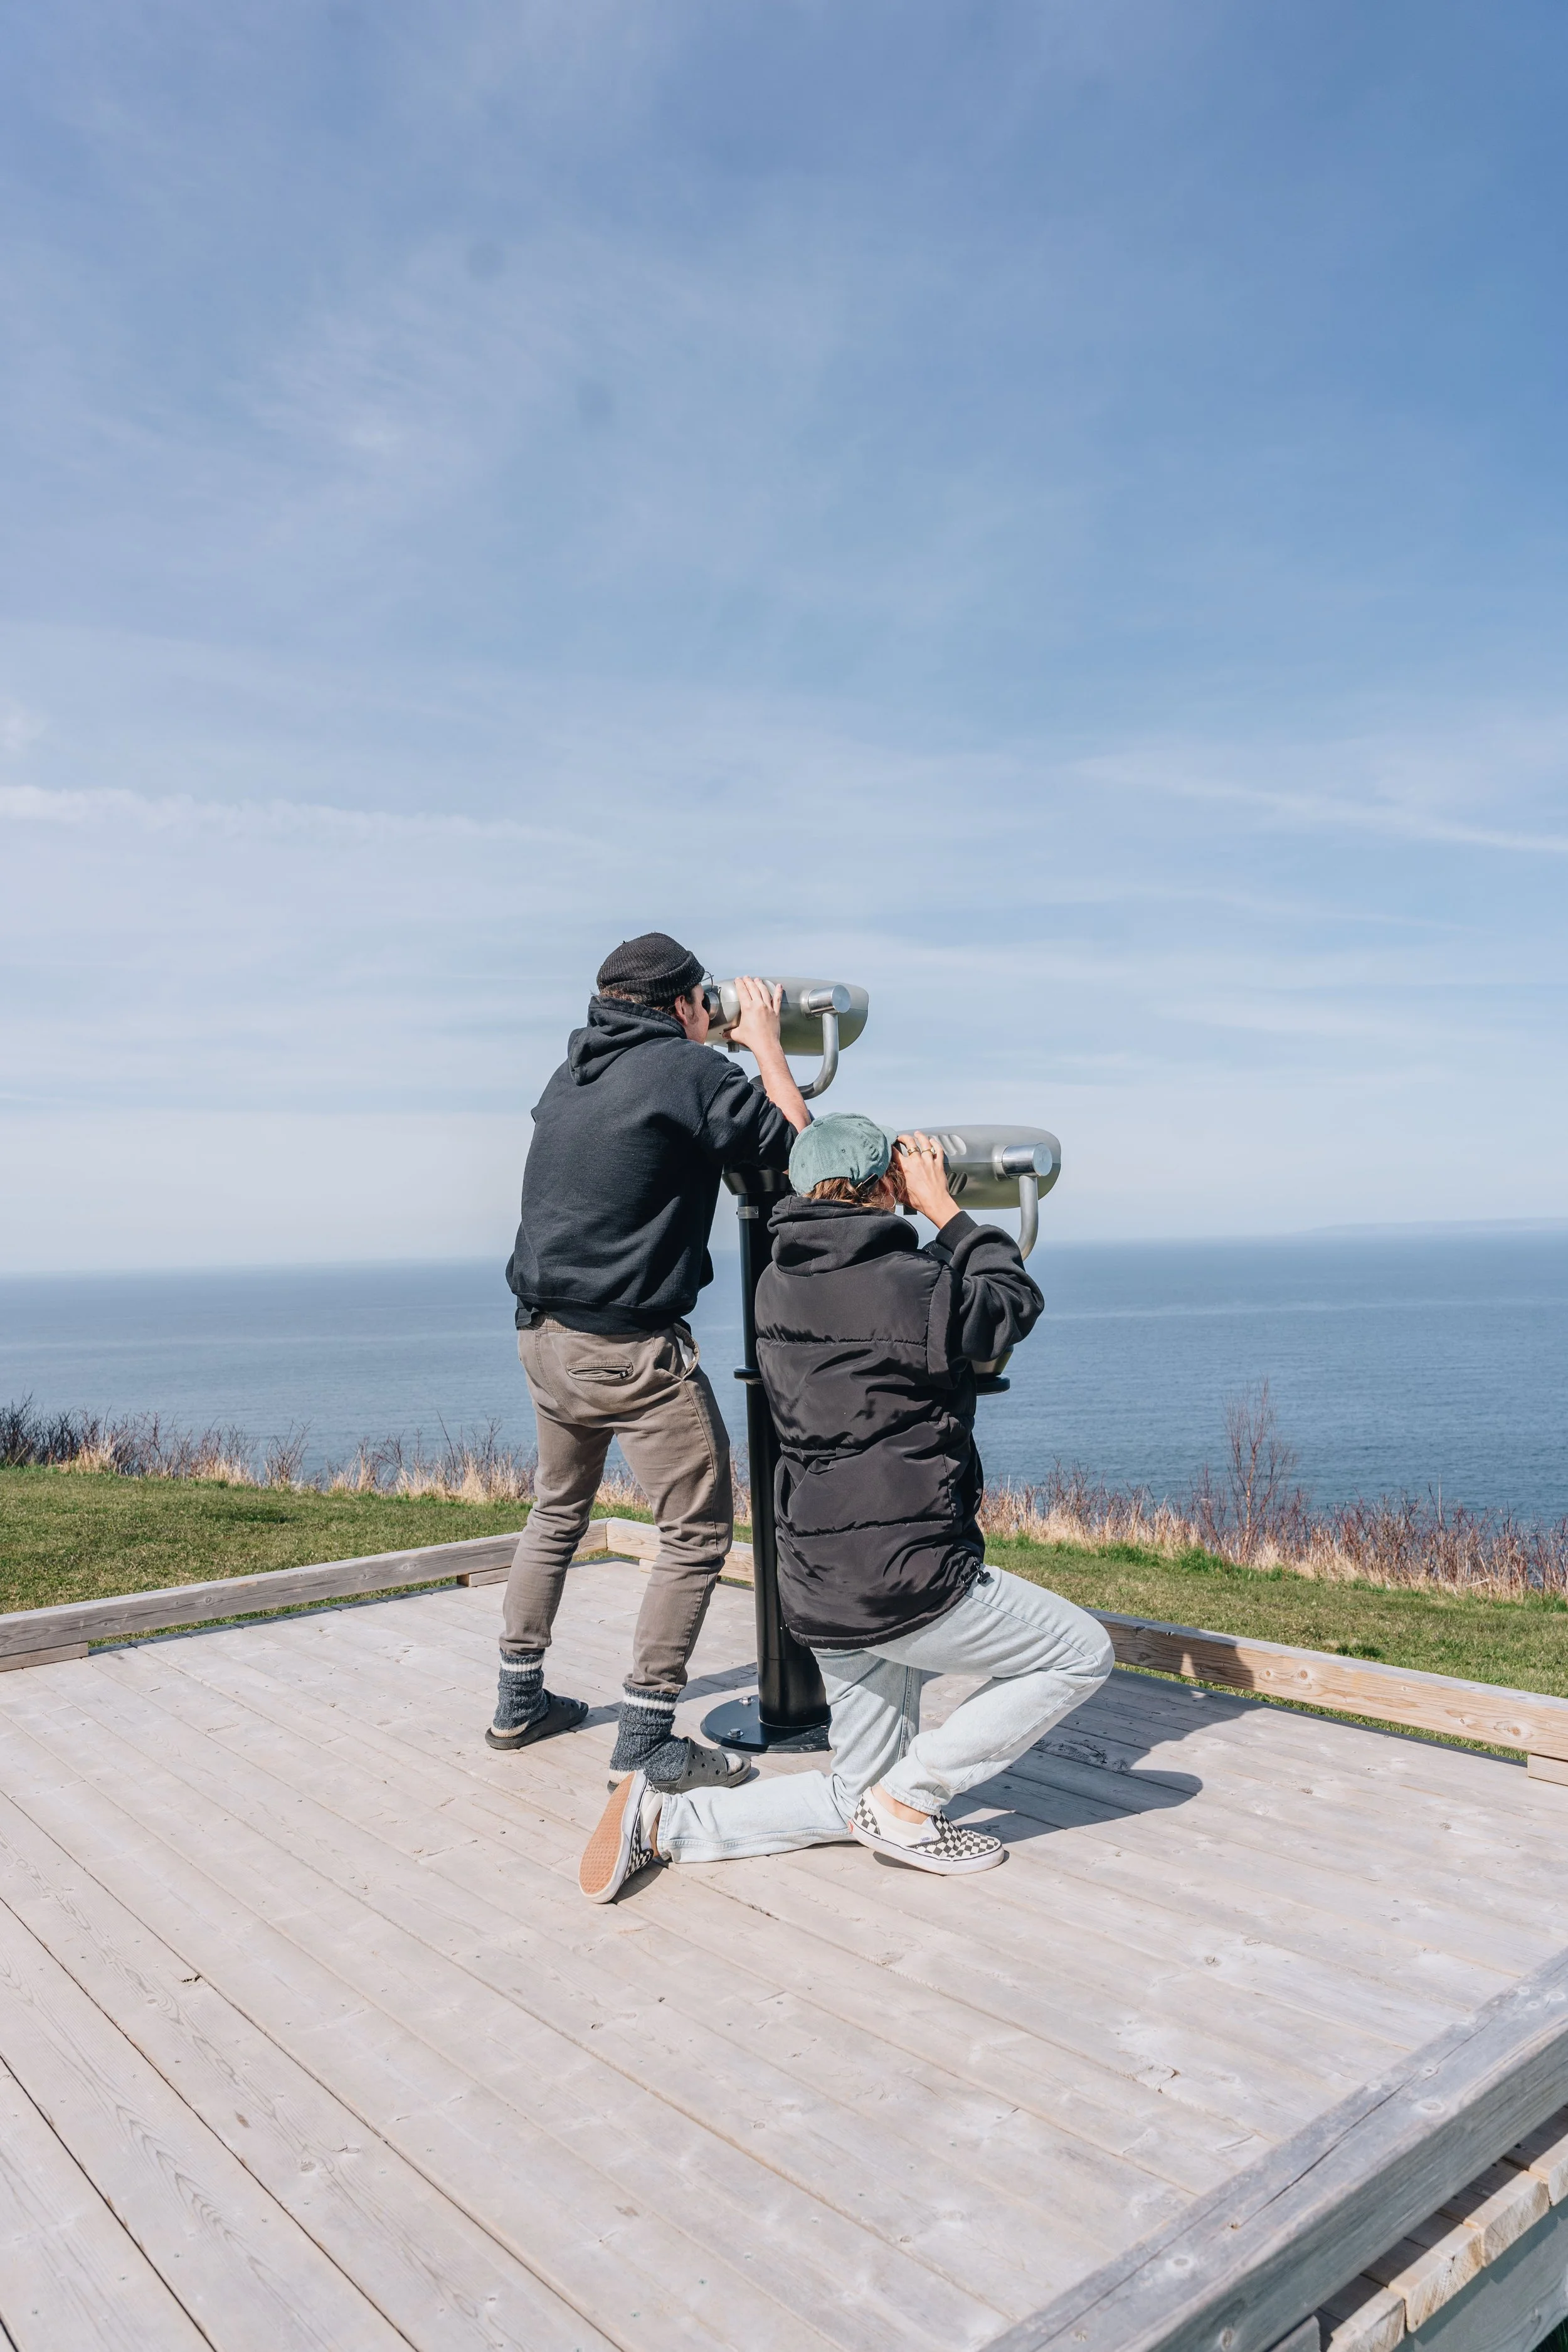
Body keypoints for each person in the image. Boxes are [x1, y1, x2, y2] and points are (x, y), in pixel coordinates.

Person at [577, 1111, 1116, 1899]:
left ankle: (664, 1822)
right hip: (905, 1578)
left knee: (851, 1795)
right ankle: (911, 1800)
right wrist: (945, 1208)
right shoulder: (910, 1284)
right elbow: (1009, 1303)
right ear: (884, 1185)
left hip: (820, 1581)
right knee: (1078, 1652)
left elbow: (894, 1311)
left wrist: (913, 1215)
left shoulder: (777, 1282)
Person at [491, 931, 812, 1793]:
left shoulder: (570, 1072)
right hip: (627, 1352)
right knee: (697, 1531)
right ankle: (644, 1738)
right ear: (683, 1005)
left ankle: (517, 1700)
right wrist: (765, 1045)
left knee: (556, 1511)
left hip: (543, 1337)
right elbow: (803, 1155)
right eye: (704, 1002)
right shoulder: (687, 1071)